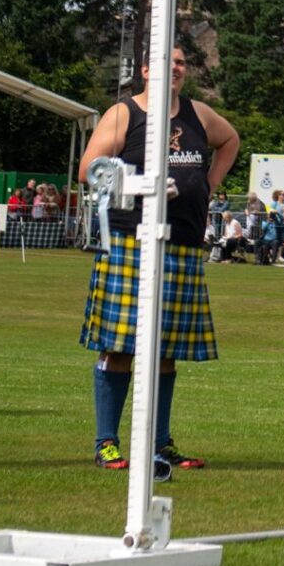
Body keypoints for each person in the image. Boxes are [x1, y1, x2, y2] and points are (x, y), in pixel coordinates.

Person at [77, 45, 238, 473]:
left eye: (182, 62)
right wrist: (139, 184)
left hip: (182, 241)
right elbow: (89, 168)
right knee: (119, 346)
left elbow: (231, 140)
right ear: (146, 69)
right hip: (131, 239)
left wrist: (207, 183)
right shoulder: (124, 114)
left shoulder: (199, 115)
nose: (176, 68)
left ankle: (160, 443)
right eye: (167, 61)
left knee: (167, 349)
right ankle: (106, 442)